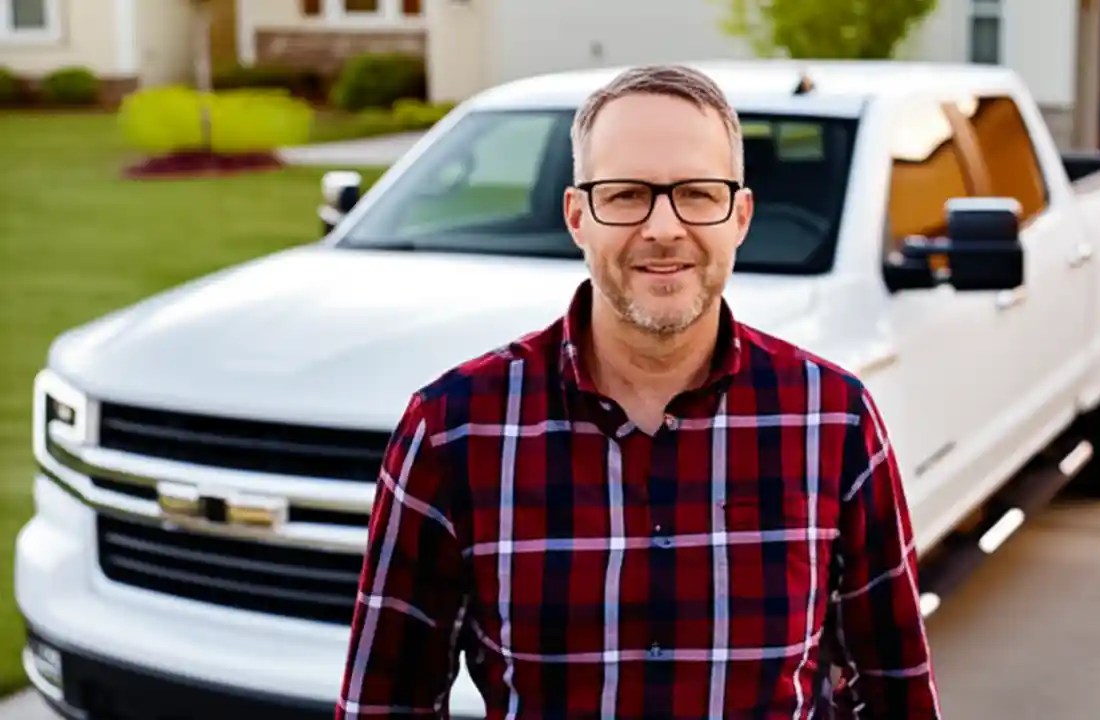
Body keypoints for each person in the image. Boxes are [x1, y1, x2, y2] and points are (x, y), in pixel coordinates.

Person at [335, 64, 942, 719]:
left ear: (739, 216)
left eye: (698, 193)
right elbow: (384, 704)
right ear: (577, 217)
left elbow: (895, 689)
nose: (662, 227)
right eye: (625, 195)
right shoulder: (454, 430)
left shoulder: (833, 420)